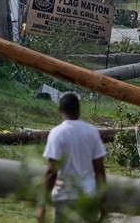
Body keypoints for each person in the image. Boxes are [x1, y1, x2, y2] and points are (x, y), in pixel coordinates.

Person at [38, 93, 107, 223]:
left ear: (60, 110)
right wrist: (103, 202)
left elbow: (51, 172)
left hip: (64, 197)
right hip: (87, 196)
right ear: (78, 109)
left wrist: (42, 206)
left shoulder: (57, 133)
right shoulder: (92, 131)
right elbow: (99, 170)